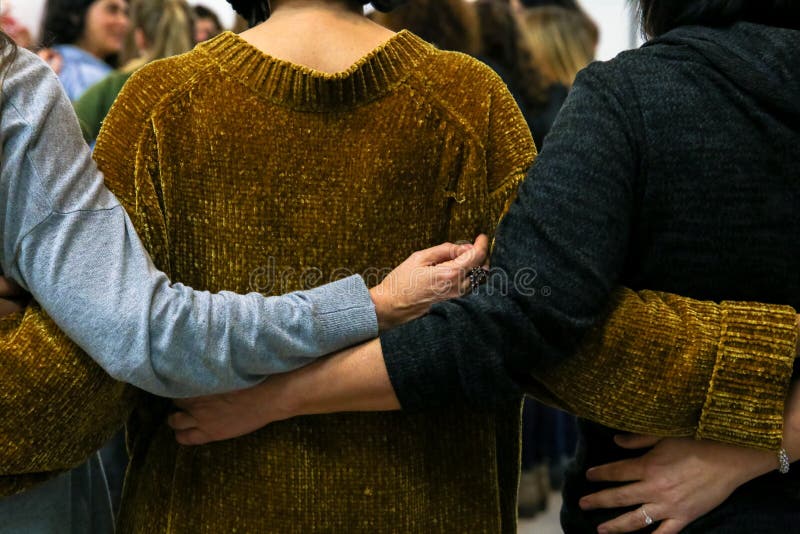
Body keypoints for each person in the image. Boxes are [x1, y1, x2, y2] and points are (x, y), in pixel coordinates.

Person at [169, 0, 800, 532]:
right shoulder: (484, 100)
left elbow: (522, 313)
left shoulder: (627, 96)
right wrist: (764, 446)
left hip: (646, 509)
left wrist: (279, 394)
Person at [0, 26, 485, 532]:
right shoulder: (468, 97)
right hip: (418, 496)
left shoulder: (153, 103)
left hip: (190, 493)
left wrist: (276, 397)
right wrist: (373, 305)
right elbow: (137, 333)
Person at [75, 0, 195, 143]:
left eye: (125, 13)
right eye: (113, 10)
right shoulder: (207, 86)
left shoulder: (115, 85)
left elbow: (65, 136)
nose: (121, 21)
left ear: (140, 37)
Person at [40, 0, 130, 100]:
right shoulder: (71, 74)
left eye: (126, 13)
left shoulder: (47, 62)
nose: (124, 22)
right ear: (76, 14)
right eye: (112, 10)